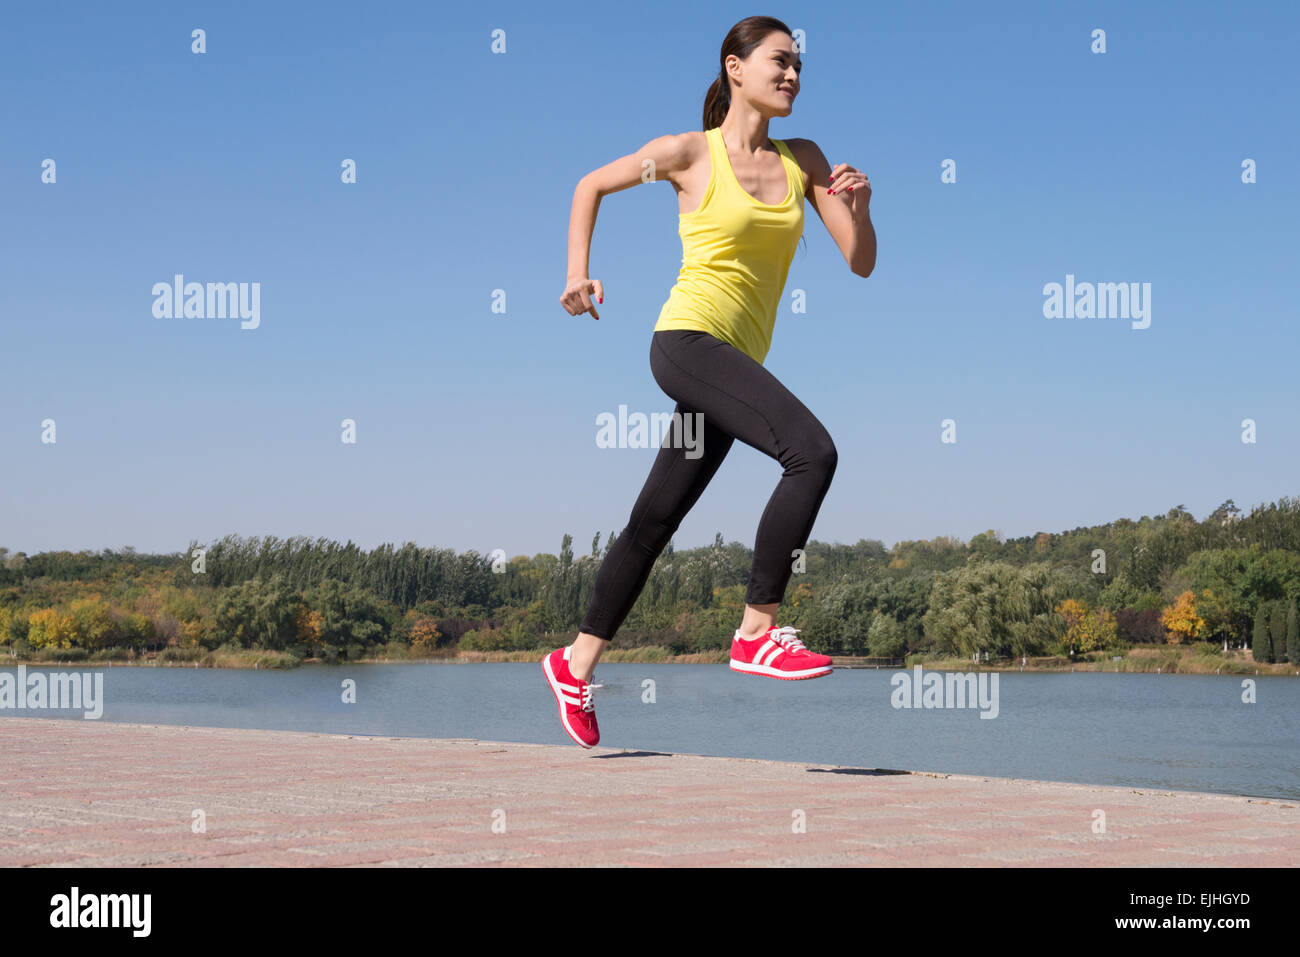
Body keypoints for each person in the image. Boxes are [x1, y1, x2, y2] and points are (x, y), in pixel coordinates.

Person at [544, 16, 876, 748]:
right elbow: (590, 184)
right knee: (811, 452)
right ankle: (757, 628)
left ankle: (574, 663)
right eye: (779, 61)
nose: (792, 75)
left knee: (653, 521)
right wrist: (576, 274)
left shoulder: (803, 160)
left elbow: (860, 261)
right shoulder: (690, 155)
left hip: (734, 368)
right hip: (688, 343)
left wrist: (859, 207)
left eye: (799, 67)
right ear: (735, 67)